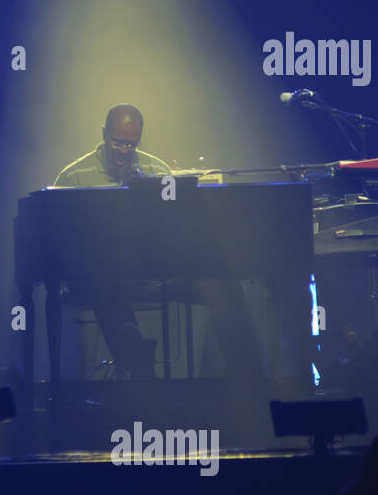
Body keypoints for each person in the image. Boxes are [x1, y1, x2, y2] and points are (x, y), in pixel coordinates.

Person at [51, 104, 264, 379]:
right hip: (99, 279)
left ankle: (245, 376)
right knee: (105, 284)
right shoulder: (73, 177)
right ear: (104, 135)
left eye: (131, 144)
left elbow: (179, 226)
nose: (124, 152)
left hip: (154, 275)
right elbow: (59, 239)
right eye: (118, 143)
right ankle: (142, 374)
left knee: (220, 283)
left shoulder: (156, 169)